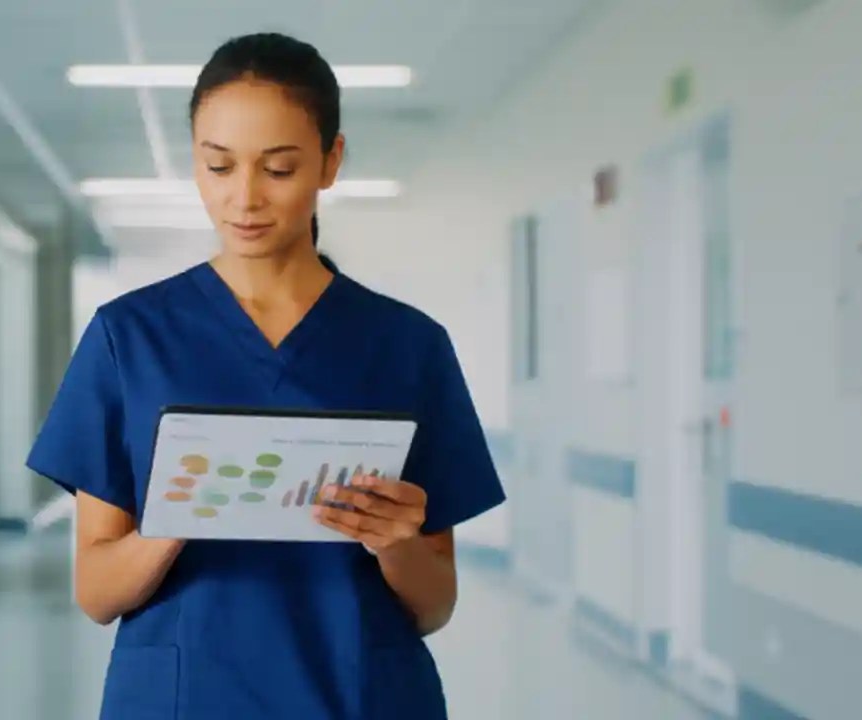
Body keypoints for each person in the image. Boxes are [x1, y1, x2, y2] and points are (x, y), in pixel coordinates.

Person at [26, 31, 505, 720]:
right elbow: (97, 592)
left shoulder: (408, 346)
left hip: (359, 695)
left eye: (278, 169)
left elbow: (435, 604)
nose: (244, 198)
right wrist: (180, 515)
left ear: (330, 162)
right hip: (185, 698)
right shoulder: (128, 337)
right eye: (217, 167)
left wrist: (394, 544)